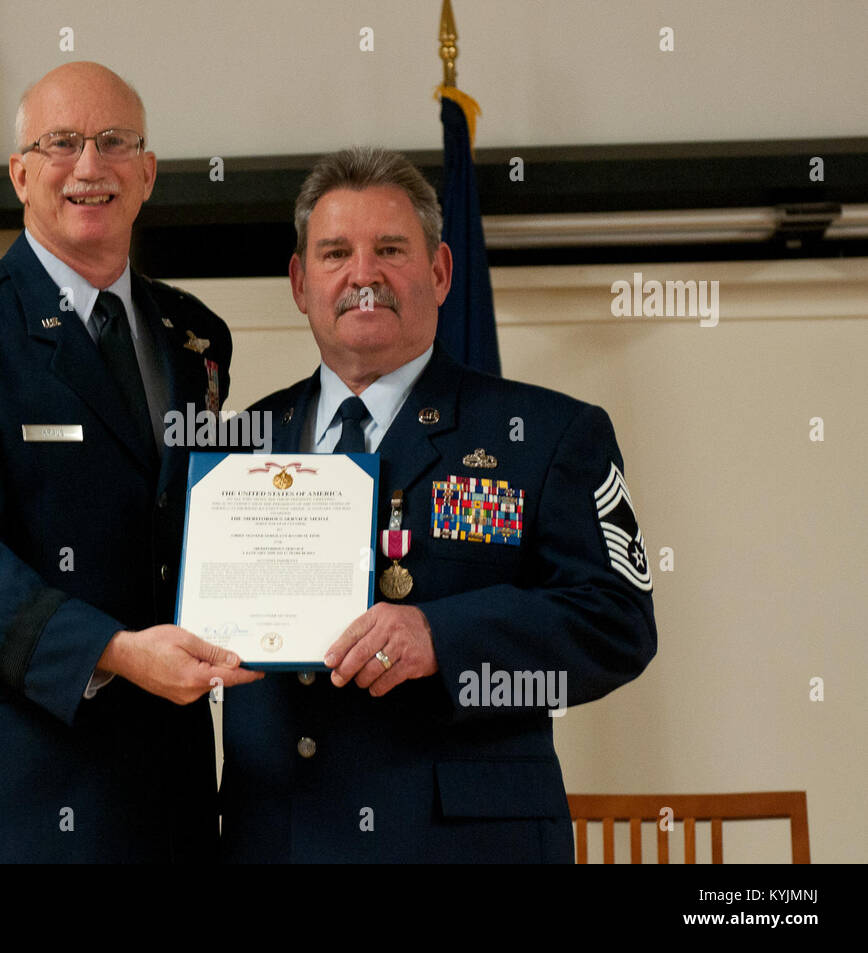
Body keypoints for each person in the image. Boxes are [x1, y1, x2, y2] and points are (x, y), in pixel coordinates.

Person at [219, 146, 657, 862]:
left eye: (390, 249)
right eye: (335, 253)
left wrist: (442, 636)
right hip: (281, 838)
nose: (364, 275)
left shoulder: (548, 434)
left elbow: (618, 624)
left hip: (465, 844)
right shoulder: (237, 448)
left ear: (441, 271)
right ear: (301, 282)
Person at [0, 61, 259, 863]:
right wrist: (114, 651)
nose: (90, 165)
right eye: (61, 143)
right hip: (5, 784)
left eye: (115, 142)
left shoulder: (194, 337)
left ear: (147, 173)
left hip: (163, 789)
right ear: (20, 172)